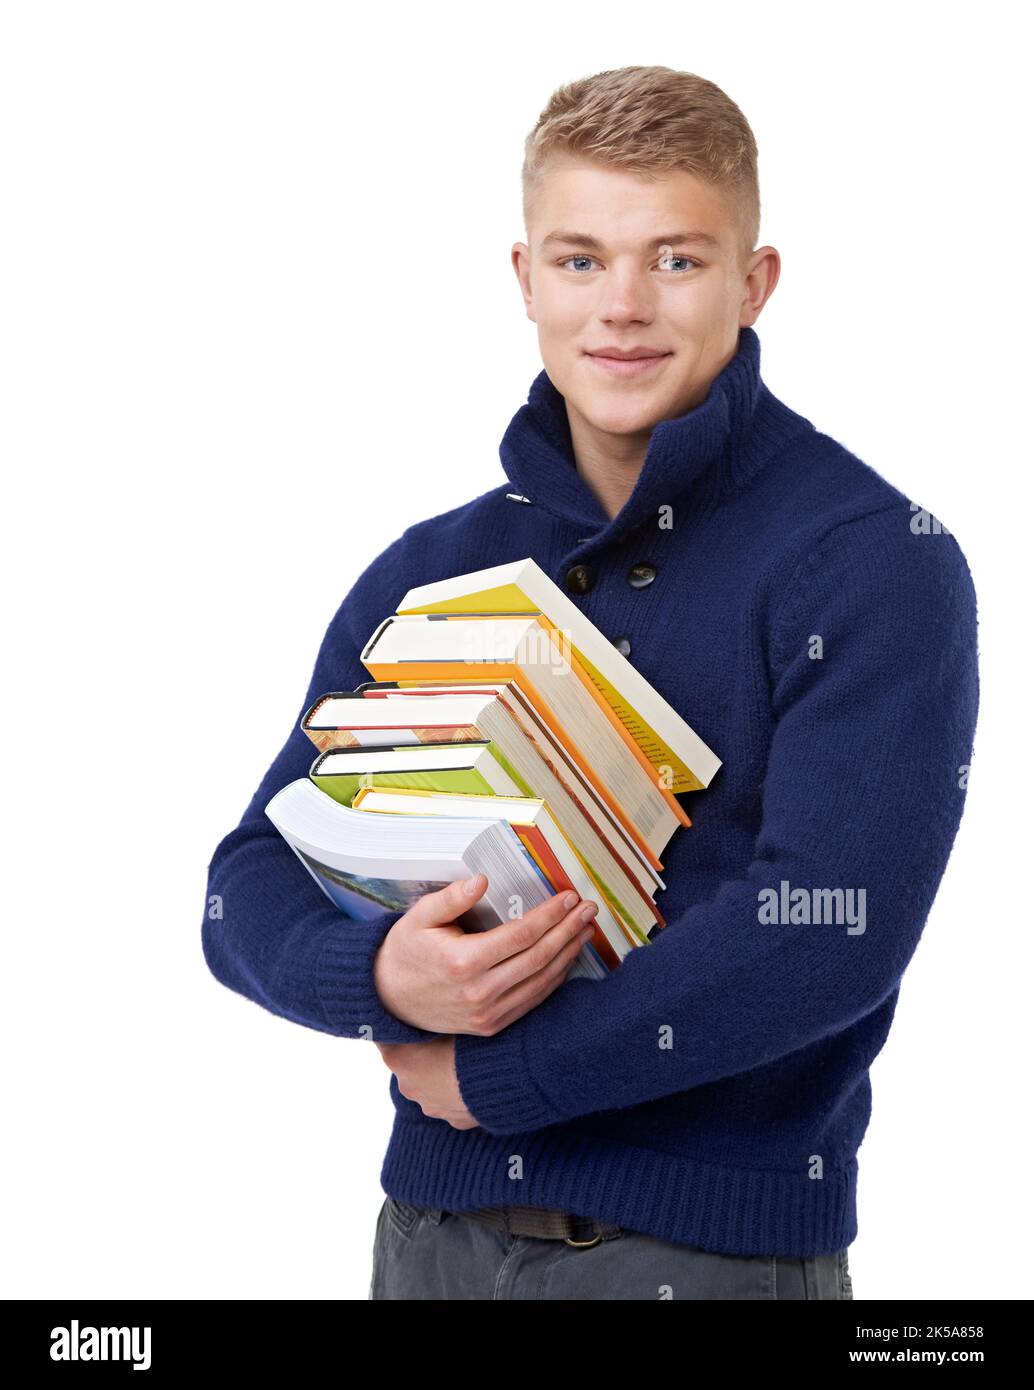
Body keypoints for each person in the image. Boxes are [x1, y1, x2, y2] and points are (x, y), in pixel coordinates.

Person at [201, 64, 978, 1301]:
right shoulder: (433, 566)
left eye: (673, 259)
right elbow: (243, 883)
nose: (621, 306)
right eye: (578, 261)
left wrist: (503, 1076)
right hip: (427, 1241)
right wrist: (378, 979)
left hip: (705, 1258)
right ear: (522, 280)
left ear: (753, 281)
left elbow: (829, 926)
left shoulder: (872, 561)